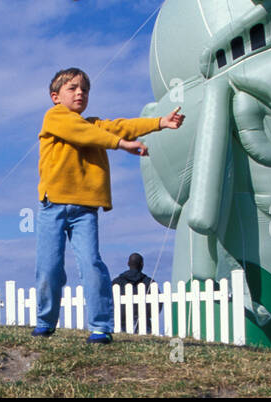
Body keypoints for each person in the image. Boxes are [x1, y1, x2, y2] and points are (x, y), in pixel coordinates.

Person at [33, 68, 183, 343]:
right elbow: (84, 135)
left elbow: (120, 125)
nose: (81, 93)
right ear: (55, 97)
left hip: (85, 210)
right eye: (73, 88)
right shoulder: (54, 117)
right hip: (52, 206)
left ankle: (100, 326)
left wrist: (160, 122)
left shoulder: (94, 125)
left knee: (92, 264)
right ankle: (45, 321)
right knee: (50, 267)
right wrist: (121, 144)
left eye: (85, 90)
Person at [111, 252, 155, 332]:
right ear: (142, 264)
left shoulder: (116, 282)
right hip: (144, 322)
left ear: (128, 263)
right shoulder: (149, 282)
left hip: (120, 320)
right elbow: (157, 304)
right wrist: (148, 315)